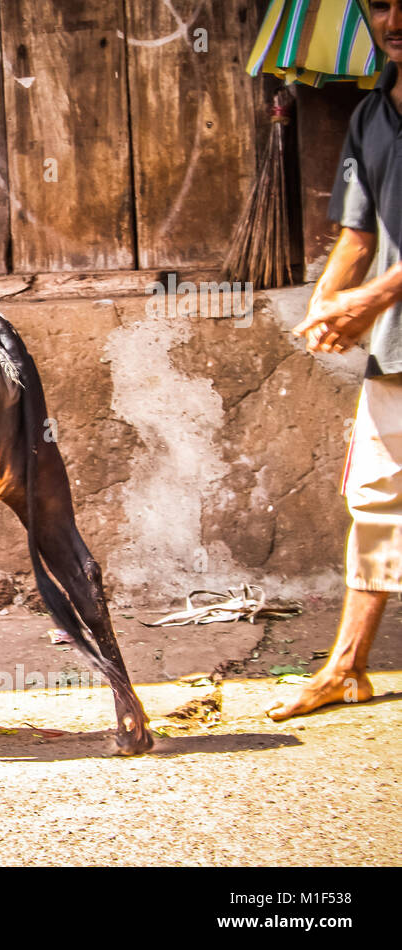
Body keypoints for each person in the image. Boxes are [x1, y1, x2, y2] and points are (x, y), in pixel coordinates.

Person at [270, 1, 402, 719]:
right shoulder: (371, 115)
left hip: (389, 320)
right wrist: (326, 308)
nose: (395, 18)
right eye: (381, 3)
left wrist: (370, 302)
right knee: (377, 504)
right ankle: (347, 668)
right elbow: (357, 232)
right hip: (397, 351)